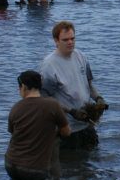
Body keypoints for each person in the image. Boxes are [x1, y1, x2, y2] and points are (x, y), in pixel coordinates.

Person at [39, 21, 108, 149]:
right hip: (66, 128)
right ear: (56, 40)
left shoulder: (81, 56)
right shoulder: (49, 65)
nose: (70, 42)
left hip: (86, 123)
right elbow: (44, 98)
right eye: (65, 40)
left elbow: (89, 84)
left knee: (90, 164)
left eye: (72, 38)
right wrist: (71, 111)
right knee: (70, 165)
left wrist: (98, 98)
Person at [5, 69, 70, 180]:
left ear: (24, 87)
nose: (19, 90)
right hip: (34, 169)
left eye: (19, 87)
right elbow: (66, 131)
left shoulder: (16, 108)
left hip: (10, 165)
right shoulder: (52, 105)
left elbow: (13, 133)